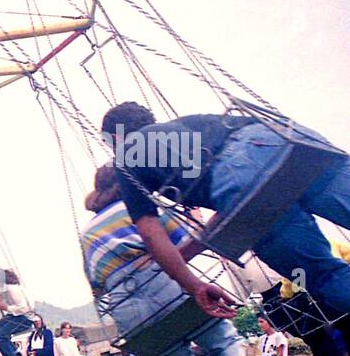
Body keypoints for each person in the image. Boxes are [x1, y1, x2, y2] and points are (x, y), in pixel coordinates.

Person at [80, 165, 287, 356]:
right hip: (162, 286)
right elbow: (184, 245)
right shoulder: (137, 208)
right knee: (223, 339)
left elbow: (97, 284)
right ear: (127, 185)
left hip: (127, 311)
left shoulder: (87, 233)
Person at [99, 100, 350, 323]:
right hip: (285, 139)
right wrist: (192, 248)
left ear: (116, 138)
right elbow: (249, 176)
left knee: (325, 275)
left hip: (242, 183)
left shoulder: (128, 158)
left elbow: (153, 234)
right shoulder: (197, 123)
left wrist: (194, 285)